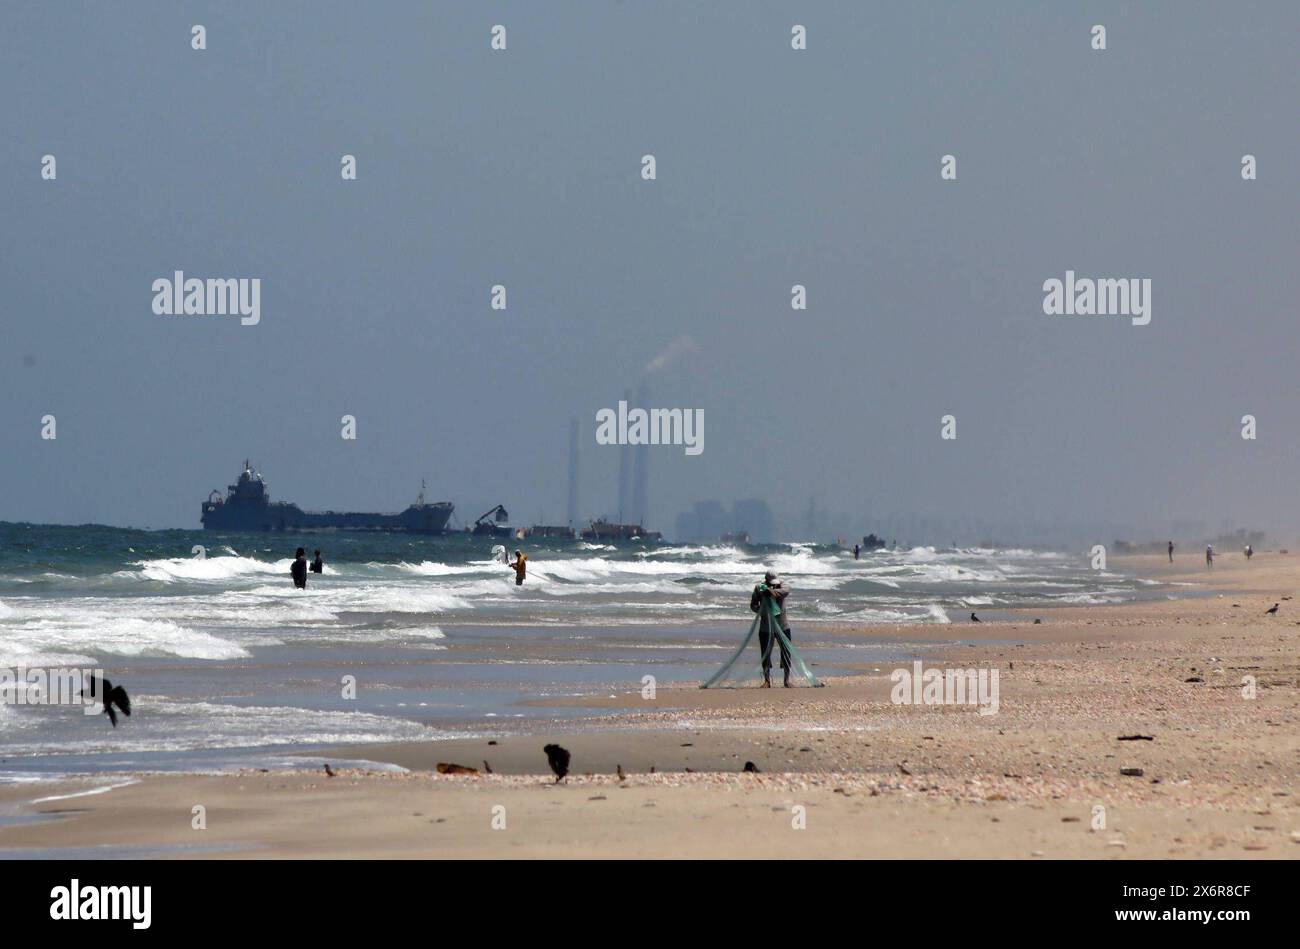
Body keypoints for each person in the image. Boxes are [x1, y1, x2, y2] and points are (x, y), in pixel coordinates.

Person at [750, 571, 791, 688]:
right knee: (766, 653)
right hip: (766, 626)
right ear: (766, 580)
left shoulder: (783, 585)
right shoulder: (759, 588)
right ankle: (767, 680)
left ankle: (786, 680)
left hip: (782, 625)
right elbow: (753, 604)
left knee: (786, 652)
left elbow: (785, 591)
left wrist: (771, 592)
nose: (773, 584)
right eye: (771, 583)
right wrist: (761, 611)